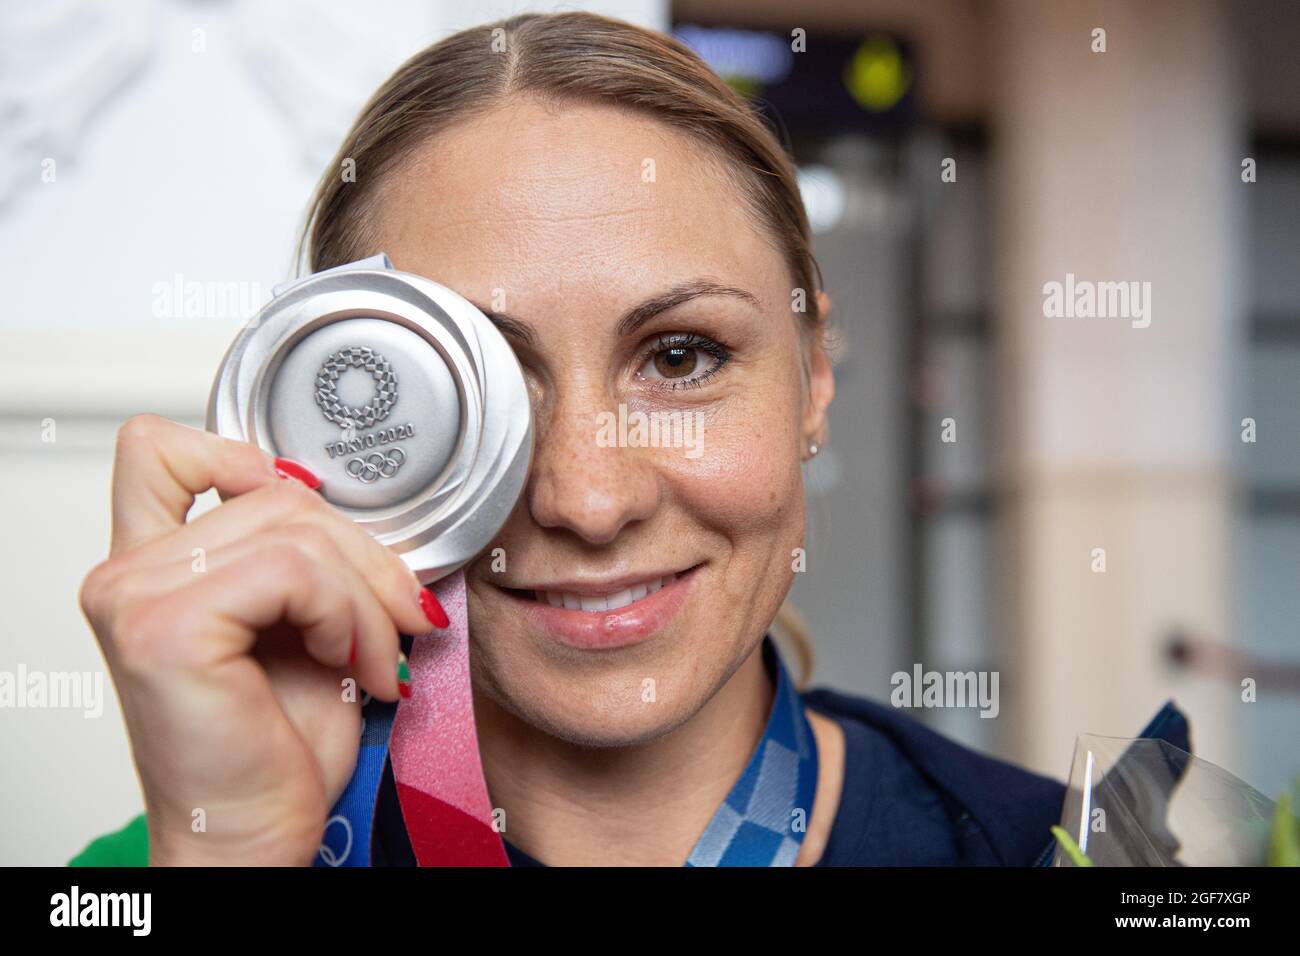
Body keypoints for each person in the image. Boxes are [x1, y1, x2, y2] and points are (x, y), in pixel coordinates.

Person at [71, 10, 1064, 867]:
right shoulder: (158, 863)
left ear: (813, 378)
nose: (586, 501)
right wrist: (231, 847)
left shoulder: (1049, 848)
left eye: (680, 357)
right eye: (486, 391)